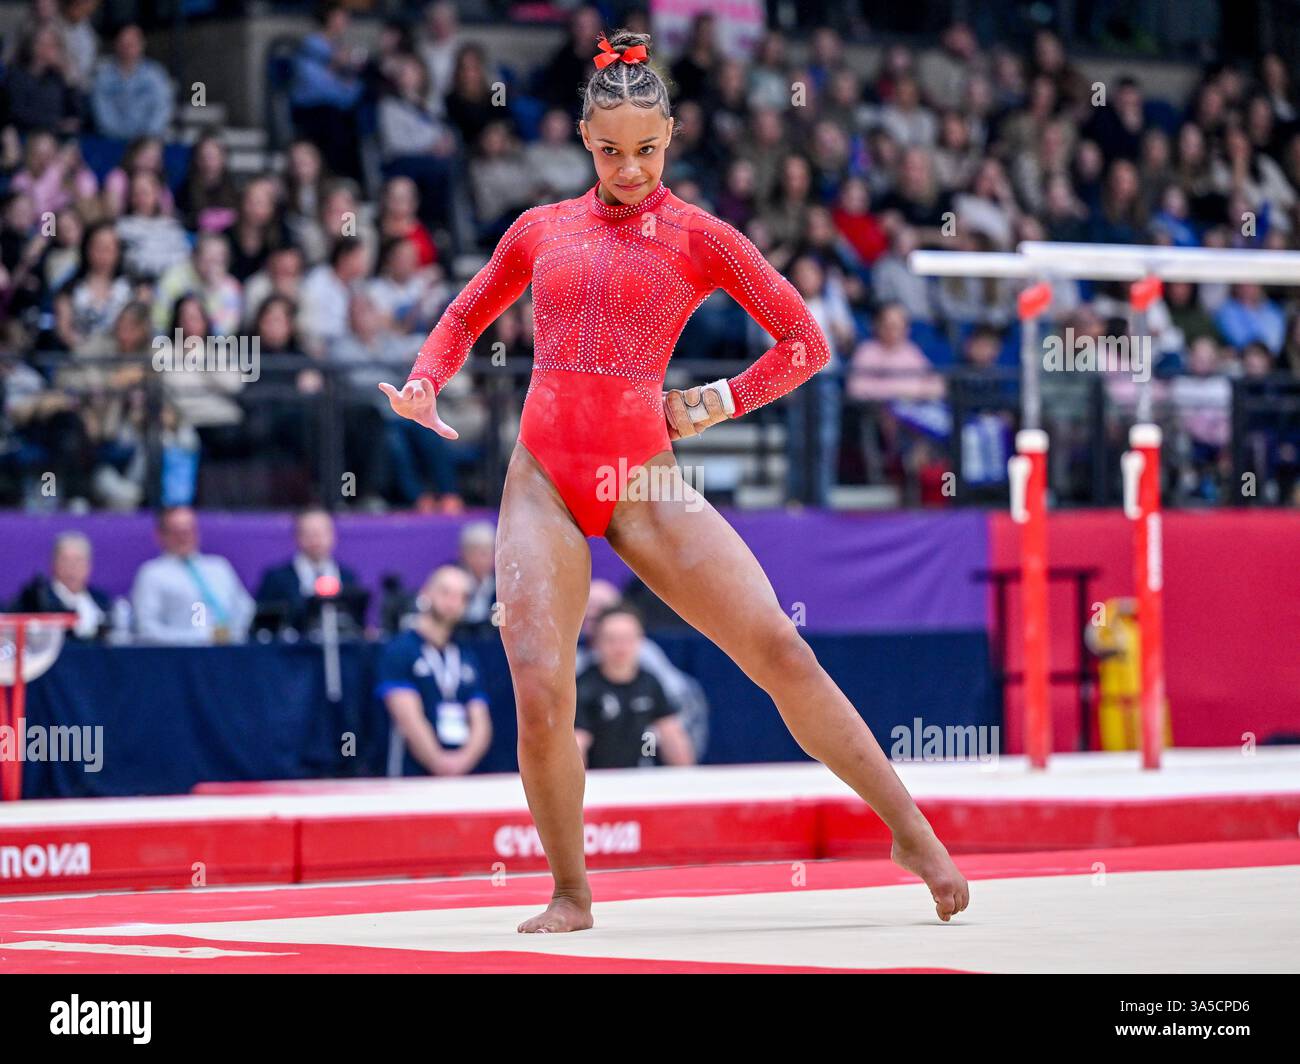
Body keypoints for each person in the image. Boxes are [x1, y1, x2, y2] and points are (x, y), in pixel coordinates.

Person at [379, 30, 969, 934]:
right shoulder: (543, 228)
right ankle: (571, 891)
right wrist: (425, 379)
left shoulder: (700, 235)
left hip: (643, 481)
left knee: (780, 649)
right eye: (611, 151)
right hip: (542, 478)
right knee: (541, 693)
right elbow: (466, 311)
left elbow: (807, 343)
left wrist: (716, 402)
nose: (629, 168)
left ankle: (908, 828)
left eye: (647, 150)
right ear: (584, 137)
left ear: (673, 136)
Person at [377, 564, 492, 776]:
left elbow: (481, 719)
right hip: (410, 777)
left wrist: (463, 761)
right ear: (426, 593)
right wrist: (438, 761)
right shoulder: (401, 650)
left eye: (462, 596)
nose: (453, 601)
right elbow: (407, 717)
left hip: (461, 776)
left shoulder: (465, 654)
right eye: (445, 592)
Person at [575, 605, 694, 769]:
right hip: (597, 781)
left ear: (640, 641)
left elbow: (671, 733)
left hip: (639, 778)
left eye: (627, 639)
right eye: (611, 639)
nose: (620, 647)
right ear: (597, 641)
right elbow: (578, 743)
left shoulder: (649, 683)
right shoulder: (583, 686)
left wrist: (687, 777)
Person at [131, 506, 255, 644]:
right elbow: (146, 628)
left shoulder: (219, 567)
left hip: (231, 651)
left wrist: (233, 634)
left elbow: (245, 607)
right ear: (161, 535)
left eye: (189, 530)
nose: (184, 537)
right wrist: (197, 637)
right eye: (177, 531)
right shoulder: (151, 574)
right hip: (180, 656)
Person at [255, 506, 361, 632]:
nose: (316, 540)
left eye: (321, 533)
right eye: (309, 533)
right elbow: (263, 627)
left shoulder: (347, 577)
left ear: (333, 535)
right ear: (297, 536)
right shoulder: (276, 579)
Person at [12, 531, 111, 640]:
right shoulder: (37, 600)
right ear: (53, 564)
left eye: (78, 560)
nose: (72, 567)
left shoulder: (102, 601)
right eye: (65, 560)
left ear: (88, 566)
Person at [90, 24, 172, 140]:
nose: (127, 48)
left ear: (142, 45)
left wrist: (145, 139)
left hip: (147, 142)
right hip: (112, 140)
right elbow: (102, 111)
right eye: (123, 43)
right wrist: (118, 136)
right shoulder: (103, 75)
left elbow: (162, 109)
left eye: (131, 44)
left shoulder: (155, 74)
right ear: (116, 44)